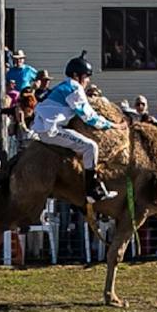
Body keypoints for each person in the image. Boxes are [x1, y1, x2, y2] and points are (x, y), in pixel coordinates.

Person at [31, 54, 115, 202]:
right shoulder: (74, 88)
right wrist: (112, 125)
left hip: (45, 127)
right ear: (76, 75)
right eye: (86, 76)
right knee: (91, 147)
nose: (88, 81)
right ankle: (92, 191)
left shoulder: (65, 85)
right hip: (51, 130)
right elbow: (89, 117)